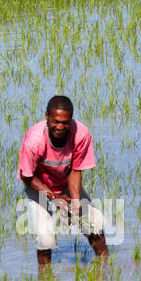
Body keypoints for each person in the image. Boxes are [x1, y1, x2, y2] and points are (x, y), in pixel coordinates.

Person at [18, 95, 108, 266]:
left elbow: (75, 169)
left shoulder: (81, 134)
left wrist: (75, 203)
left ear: (71, 120)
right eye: (56, 121)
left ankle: (104, 271)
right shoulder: (34, 140)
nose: (60, 126)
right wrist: (54, 198)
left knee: (94, 224)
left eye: (65, 122)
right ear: (47, 117)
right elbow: (27, 176)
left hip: (66, 183)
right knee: (45, 238)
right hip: (37, 185)